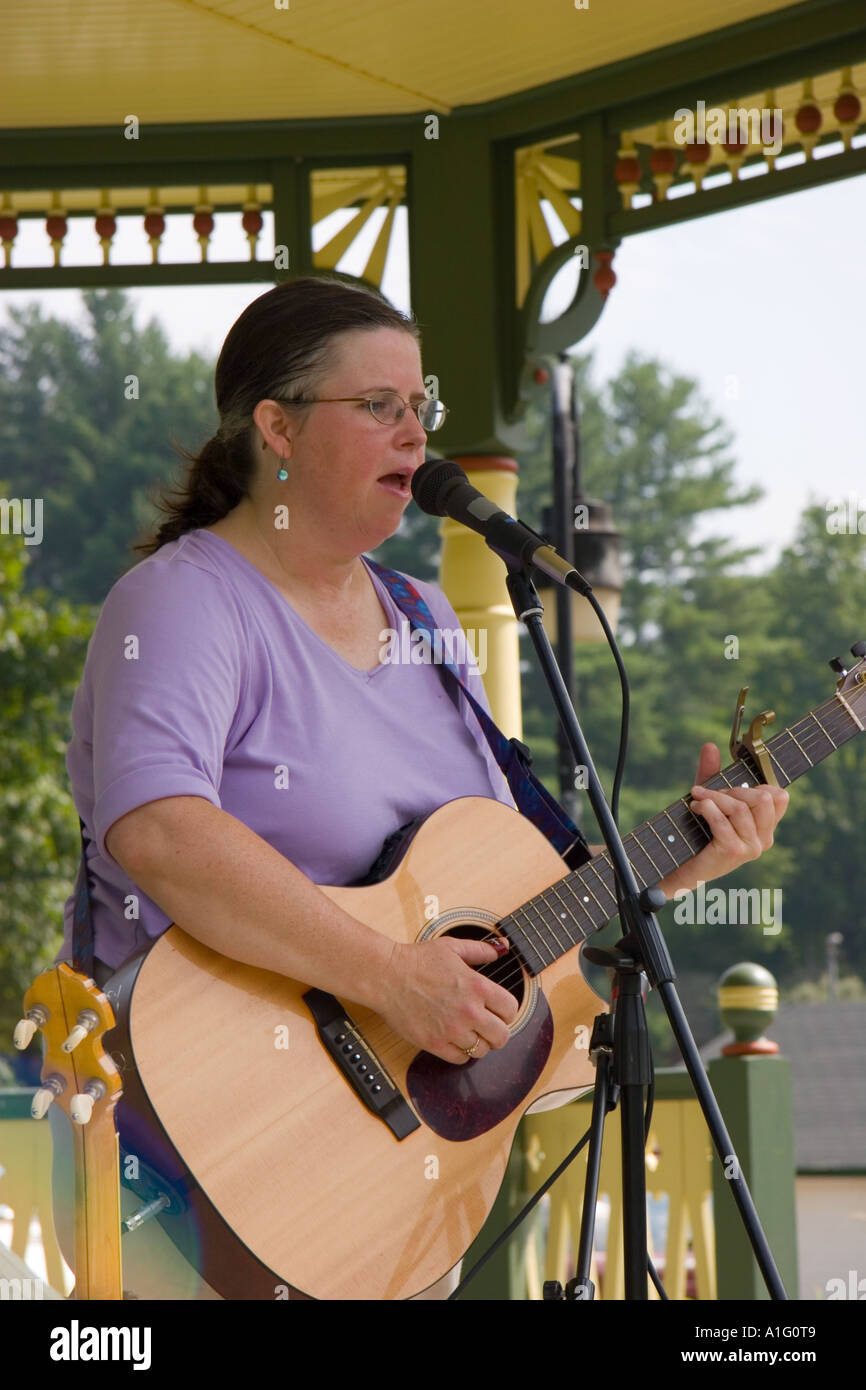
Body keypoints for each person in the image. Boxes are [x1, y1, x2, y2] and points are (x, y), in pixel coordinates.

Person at [50, 275, 788, 1300]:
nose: (417, 436)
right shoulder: (183, 601)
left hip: (384, 1185)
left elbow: (508, 914)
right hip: (183, 1145)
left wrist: (678, 868)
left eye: (422, 406)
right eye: (378, 406)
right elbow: (162, 834)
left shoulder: (428, 617)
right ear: (278, 429)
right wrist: (390, 979)